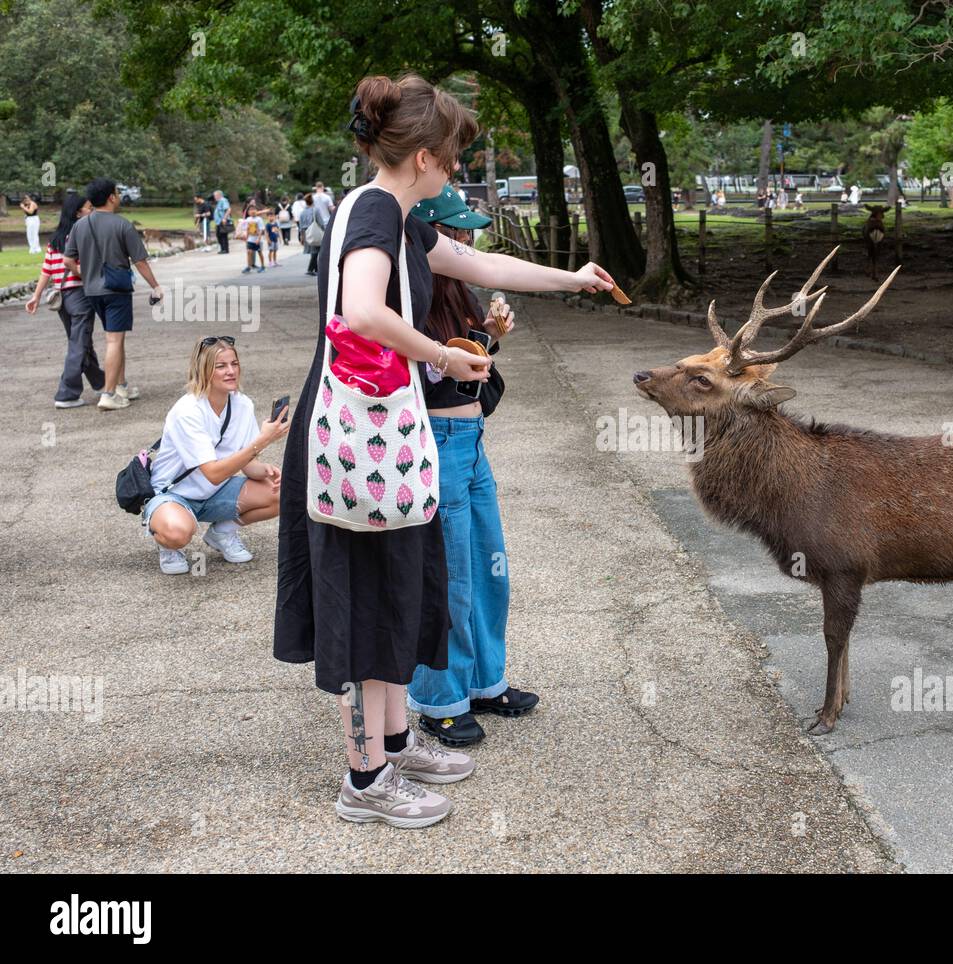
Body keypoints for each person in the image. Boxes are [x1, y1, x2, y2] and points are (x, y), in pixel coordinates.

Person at [274, 73, 614, 828]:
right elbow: (362, 309)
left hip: (385, 437)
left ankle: (395, 743)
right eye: (453, 157)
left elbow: (484, 267)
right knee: (366, 597)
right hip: (355, 441)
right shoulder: (370, 214)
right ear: (424, 156)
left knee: (399, 584)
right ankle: (365, 781)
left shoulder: (399, 217)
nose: (456, 169)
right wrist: (444, 353)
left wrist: (574, 277)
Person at [403, 185, 533, 747]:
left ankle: (484, 679)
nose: (466, 238)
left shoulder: (458, 288)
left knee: (487, 563)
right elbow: (419, 366)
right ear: (433, 232)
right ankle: (439, 697)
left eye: (467, 229)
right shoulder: (409, 287)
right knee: (449, 572)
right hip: (436, 436)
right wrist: (452, 356)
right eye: (457, 230)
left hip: (471, 435)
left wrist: (489, 339)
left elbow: (470, 368)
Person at [143, 336, 289, 575]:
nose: (231, 371)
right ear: (204, 370)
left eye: (234, 364)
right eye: (221, 366)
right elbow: (212, 473)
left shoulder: (242, 405)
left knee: (284, 491)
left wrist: (266, 471)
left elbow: (248, 463)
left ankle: (222, 533)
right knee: (178, 532)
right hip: (174, 494)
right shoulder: (188, 411)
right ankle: (167, 545)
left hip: (215, 493)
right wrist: (264, 439)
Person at [63, 178, 164, 411]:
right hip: (116, 291)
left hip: (92, 291)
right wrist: (156, 286)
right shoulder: (122, 225)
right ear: (111, 197)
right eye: (117, 192)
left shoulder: (80, 225)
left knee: (116, 340)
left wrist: (84, 273)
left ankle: (121, 387)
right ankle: (108, 394)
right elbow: (140, 261)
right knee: (114, 340)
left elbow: (68, 259)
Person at [25, 193, 105, 408]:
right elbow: (81, 269)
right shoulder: (82, 235)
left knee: (82, 342)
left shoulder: (56, 238)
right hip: (80, 296)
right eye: (89, 208)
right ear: (78, 212)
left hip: (62, 299)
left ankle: (101, 383)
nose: (92, 211)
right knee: (79, 343)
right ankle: (66, 394)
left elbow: (47, 270)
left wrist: (37, 295)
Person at [299, 193, 327, 275]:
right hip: (315, 233)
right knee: (316, 251)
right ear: (312, 201)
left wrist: (302, 237)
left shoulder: (303, 212)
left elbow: (301, 226)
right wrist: (325, 231)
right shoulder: (316, 210)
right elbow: (321, 223)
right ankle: (310, 269)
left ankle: (316, 269)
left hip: (306, 233)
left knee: (313, 251)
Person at [241, 208, 266, 273]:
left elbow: (261, 230)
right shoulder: (248, 219)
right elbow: (247, 229)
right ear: (248, 212)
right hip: (250, 239)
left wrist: (258, 239)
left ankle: (263, 266)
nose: (252, 211)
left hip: (258, 239)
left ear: (256, 211)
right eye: (250, 210)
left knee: (259, 252)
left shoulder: (259, 219)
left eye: (254, 209)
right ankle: (248, 267)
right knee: (249, 252)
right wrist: (246, 237)